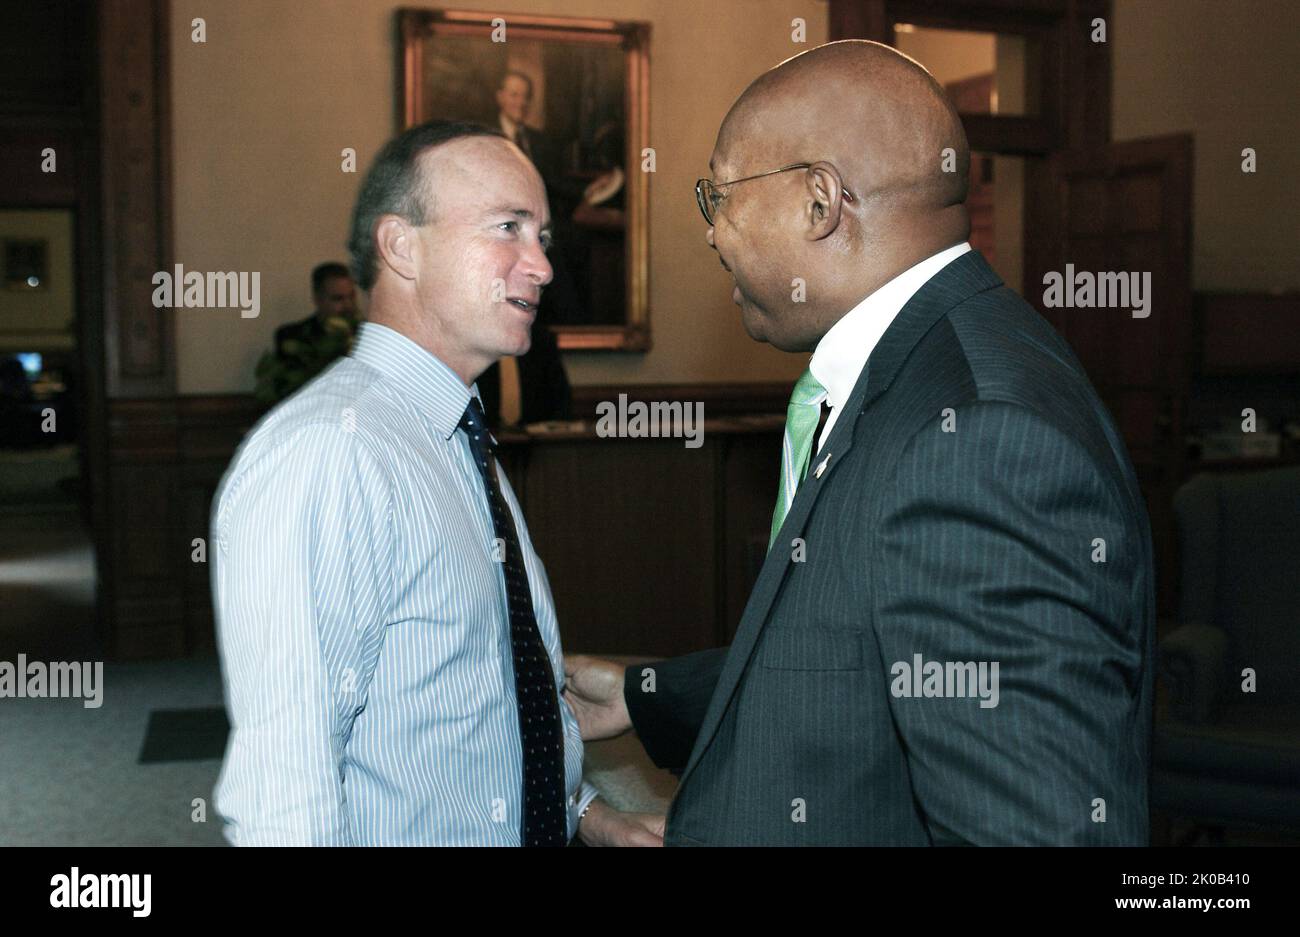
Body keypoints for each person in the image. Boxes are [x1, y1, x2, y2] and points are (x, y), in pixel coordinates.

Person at [564, 40, 1154, 845]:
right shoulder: (925, 366)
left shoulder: (975, 436)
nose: (712, 235)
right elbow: (872, 662)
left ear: (819, 203)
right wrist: (647, 691)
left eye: (720, 195)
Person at [213, 119, 662, 846]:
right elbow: (283, 797)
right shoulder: (332, 453)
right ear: (401, 246)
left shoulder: (455, 430)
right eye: (508, 227)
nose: (542, 266)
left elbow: (479, 701)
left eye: (541, 236)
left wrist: (587, 814)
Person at [273, 262, 360, 357]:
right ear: (318, 299)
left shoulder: (366, 333)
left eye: (352, 296)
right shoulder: (292, 335)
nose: (348, 305)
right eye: (338, 298)